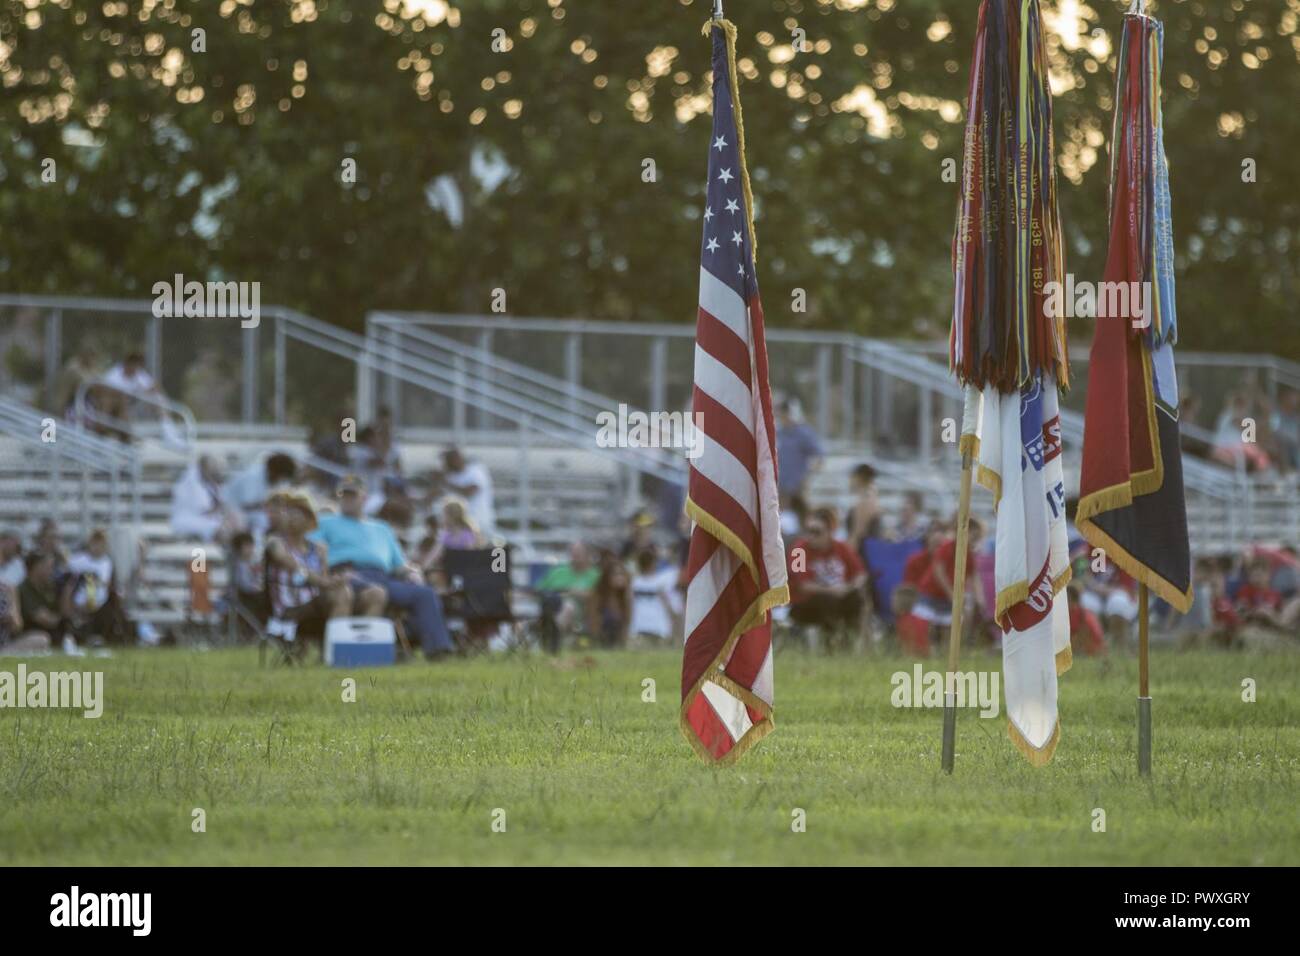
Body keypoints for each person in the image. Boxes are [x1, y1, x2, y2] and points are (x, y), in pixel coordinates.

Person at [312, 476, 456, 658]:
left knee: (425, 593)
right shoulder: (326, 522)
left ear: (364, 498)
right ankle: (355, 652)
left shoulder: (381, 528)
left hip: (383, 576)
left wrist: (411, 571)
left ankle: (438, 650)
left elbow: (398, 563)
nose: (347, 499)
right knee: (376, 592)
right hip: (347, 574)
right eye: (343, 495)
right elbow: (312, 552)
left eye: (352, 495)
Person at [265, 491, 384, 657]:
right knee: (341, 593)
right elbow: (295, 567)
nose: (292, 517)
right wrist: (325, 582)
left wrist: (336, 579)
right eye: (289, 512)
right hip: (290, 607)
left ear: (308, 520)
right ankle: (336, 654)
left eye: (297, 513)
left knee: (375, 593)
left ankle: (361, 650)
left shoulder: (319, 548)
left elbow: (324, 579)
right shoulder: (275, 543)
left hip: (316, 603)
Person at [787, 508, 867, 645]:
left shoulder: (841, 548)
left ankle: (849, 642)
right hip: (805, 603)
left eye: (817, 532)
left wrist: (851, 587)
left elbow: (860, 574)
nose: (811, 536)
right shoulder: (798, 550)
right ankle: (830, 646)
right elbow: (802, 586)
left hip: (839, 596)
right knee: (827, 600)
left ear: (830, 532)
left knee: (856, 598)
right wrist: (833, 590)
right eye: (809, 531)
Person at [66, 529, 132, 645]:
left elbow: (105, 583)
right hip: (79, 601)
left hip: (99, 603)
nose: (98, 547)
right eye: (95, 544)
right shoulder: (80, 560)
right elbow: (67, 569)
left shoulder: (106, 563)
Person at [534, 542, 600, 650]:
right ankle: (550, 633)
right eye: (573, 553)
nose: (575, 556)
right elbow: (539, 589)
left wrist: (576, 592)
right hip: (550, 606)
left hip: (581, 612)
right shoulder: (558, 571)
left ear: (588, 555)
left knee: (568, 606)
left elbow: (599, 596)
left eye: (579, 553)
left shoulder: (595, 574)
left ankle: (552, 634)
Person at [170, 456, 242, 543]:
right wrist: (219, 510)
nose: (213, 472)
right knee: (221, 529)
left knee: (236, 521)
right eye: (210, 469)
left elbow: (220, 503)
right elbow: (202, 509)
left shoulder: (209, 483)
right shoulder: (191, 483)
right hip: (190, 518)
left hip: (205, 518)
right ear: (203, 468)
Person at [224, 452, 297, 534]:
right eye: (281, 477)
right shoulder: (253, 476)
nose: (280, 480)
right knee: (263, 520)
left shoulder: (274, 479)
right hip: (232, 510)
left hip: (250, 513)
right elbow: (247, 505)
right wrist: (271, 505)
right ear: (275, 472)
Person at [18, 552, 77, 654]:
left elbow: (67, 613)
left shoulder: (49, 588)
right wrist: (62, 620)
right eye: (49, 567)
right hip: (32, 633)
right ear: (37, 567)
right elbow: (43, 619)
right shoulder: (24, 589)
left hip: (52, 634)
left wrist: (67, 592)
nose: (52, 571)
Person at [437, 447, 494, 536]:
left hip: (478, 522)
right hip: (457, 526)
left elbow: (469, 492)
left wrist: (447, 483)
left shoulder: (475, 471)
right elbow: (434, 495)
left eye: (448, 460)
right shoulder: (449, 476)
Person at [775, 397, 824, 497]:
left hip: (798, 489)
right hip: (780, 488)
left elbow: (819, 456)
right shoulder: (778, 433)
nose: (783, 417)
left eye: (786, 413)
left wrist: (808, 477)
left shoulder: (803, 434)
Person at [628, 549, 678, 645]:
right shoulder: (658, 582)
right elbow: (666, 602)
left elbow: (630, 602)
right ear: (653, 563)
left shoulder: (635, 581)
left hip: (639, 617)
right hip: (656, 617)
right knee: (657, 644)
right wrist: (672, 616)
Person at [587, 559, 632, 649]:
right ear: (607, 577)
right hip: (600, 641)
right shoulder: (597, 595)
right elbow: (593, 622)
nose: (620, 578)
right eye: (616, 574)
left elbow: (628, 622)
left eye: (622, 574)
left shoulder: (625, 597)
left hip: (619, 644)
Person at [846, 464, 883, 553]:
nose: (849, 481)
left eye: (852, 477)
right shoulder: (870, 495)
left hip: (862, 553)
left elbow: (858, 533)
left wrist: (847, 553)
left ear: (859, 478)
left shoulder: (866, 498)